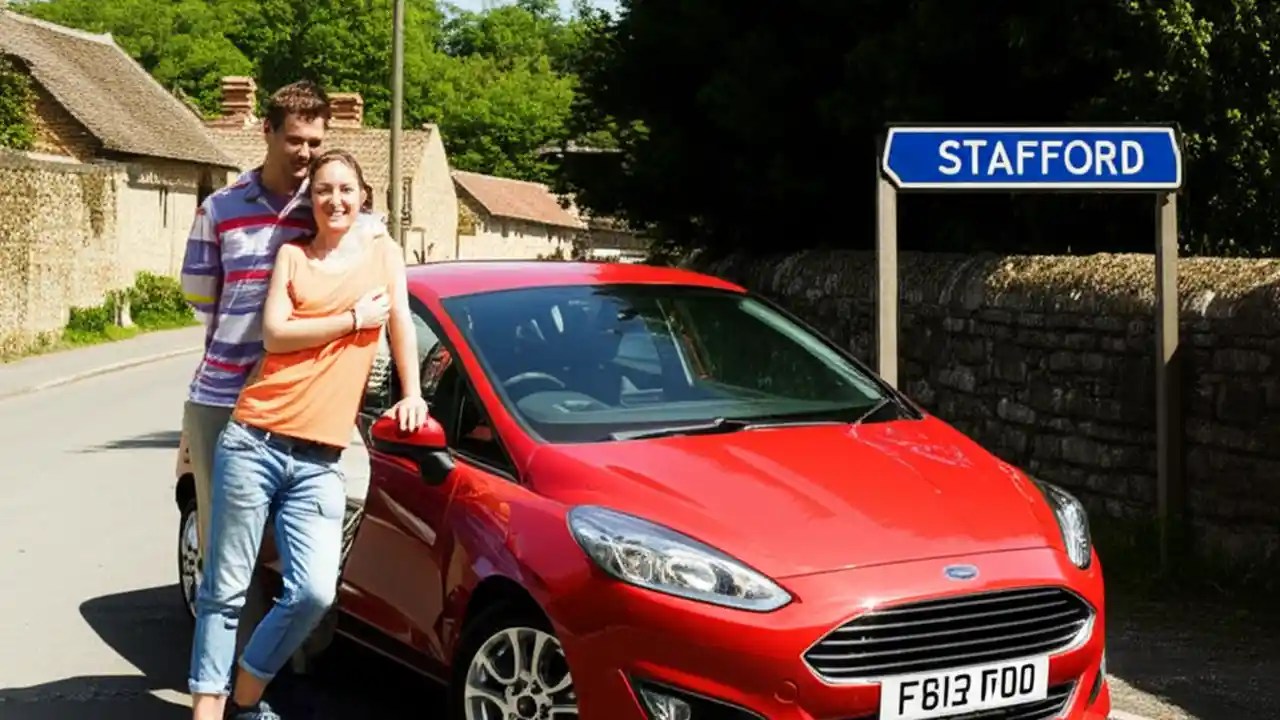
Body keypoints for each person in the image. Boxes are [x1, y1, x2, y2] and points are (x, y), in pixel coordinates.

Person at [188, 149, 426, 720]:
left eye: (346, 189)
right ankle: (206, 709)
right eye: (324, 190)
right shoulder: (293, 256)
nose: (335, 200)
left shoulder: (383, 253)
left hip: (321, 457)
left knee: (315, 592)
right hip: (255, 437)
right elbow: (274, 334)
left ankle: (247, 692)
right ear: (310, 200)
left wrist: (411, 394)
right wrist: (350, 322)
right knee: (226, 587)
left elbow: (401, 330)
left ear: (364, 197)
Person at [178, 80, 385, 661]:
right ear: (266, 132)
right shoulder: (220, 209)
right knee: (227, 558)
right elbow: (199, 296)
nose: (304, 152)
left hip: (309, 401)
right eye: (293, 139)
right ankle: (228, 691)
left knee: (325, 536)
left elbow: (380, 261)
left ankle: (281, 668)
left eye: (315, 141)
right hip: (224, 397)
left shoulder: (329, 205)